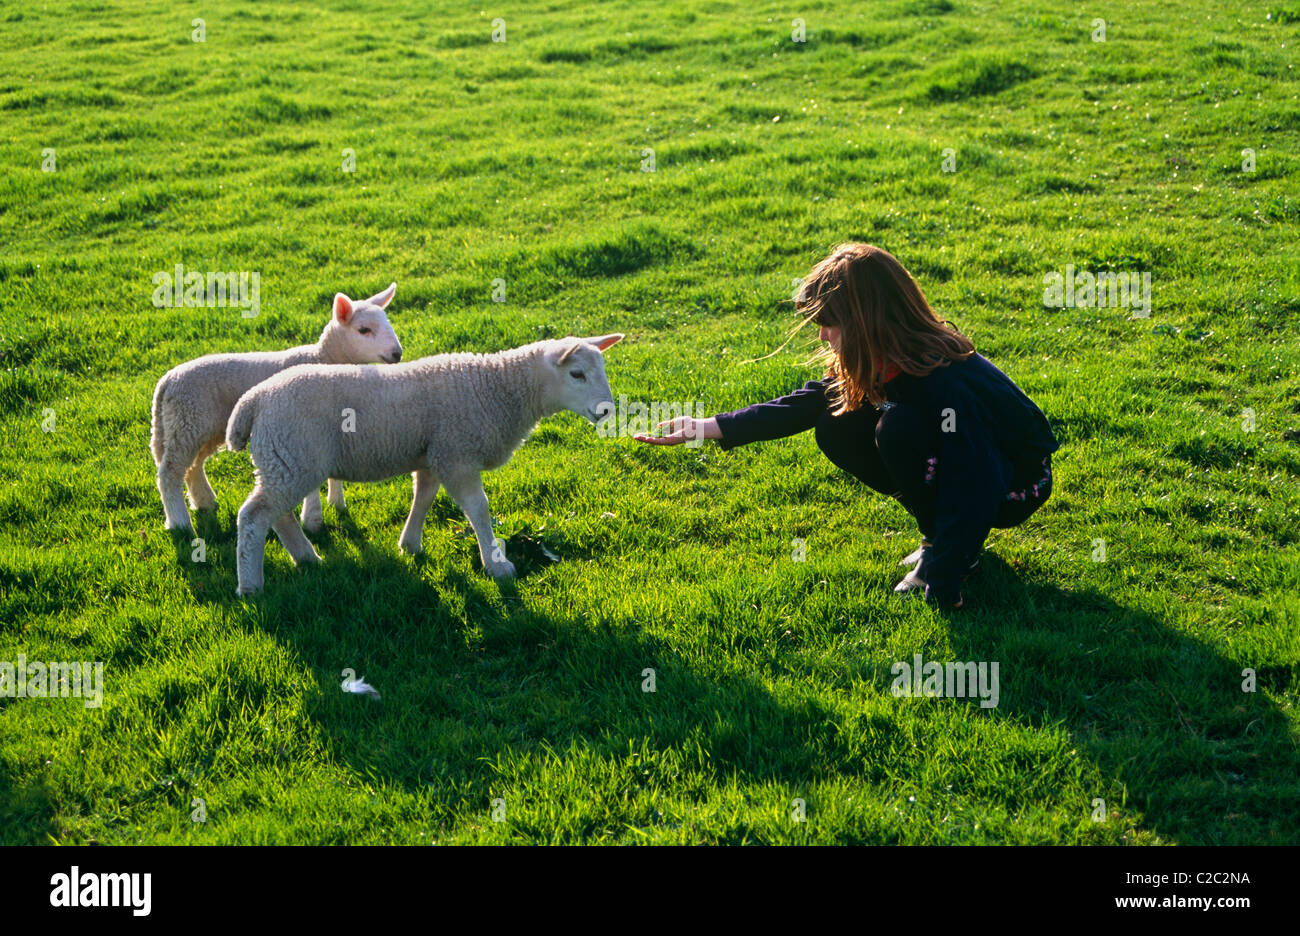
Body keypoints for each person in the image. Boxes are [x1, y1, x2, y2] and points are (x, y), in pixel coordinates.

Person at [633, 243, 1060, 609]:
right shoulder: (889, 356)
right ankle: (946, 541)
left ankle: (948, 552)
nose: (822, 338)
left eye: (828, 325)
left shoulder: (944, 383)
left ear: (865, 323)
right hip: (979, 472)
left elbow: (978, 478)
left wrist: (943, 582)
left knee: (898, 429)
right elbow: (807, 403)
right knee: (837, 423)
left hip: (1016, 485)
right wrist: (708, 427)